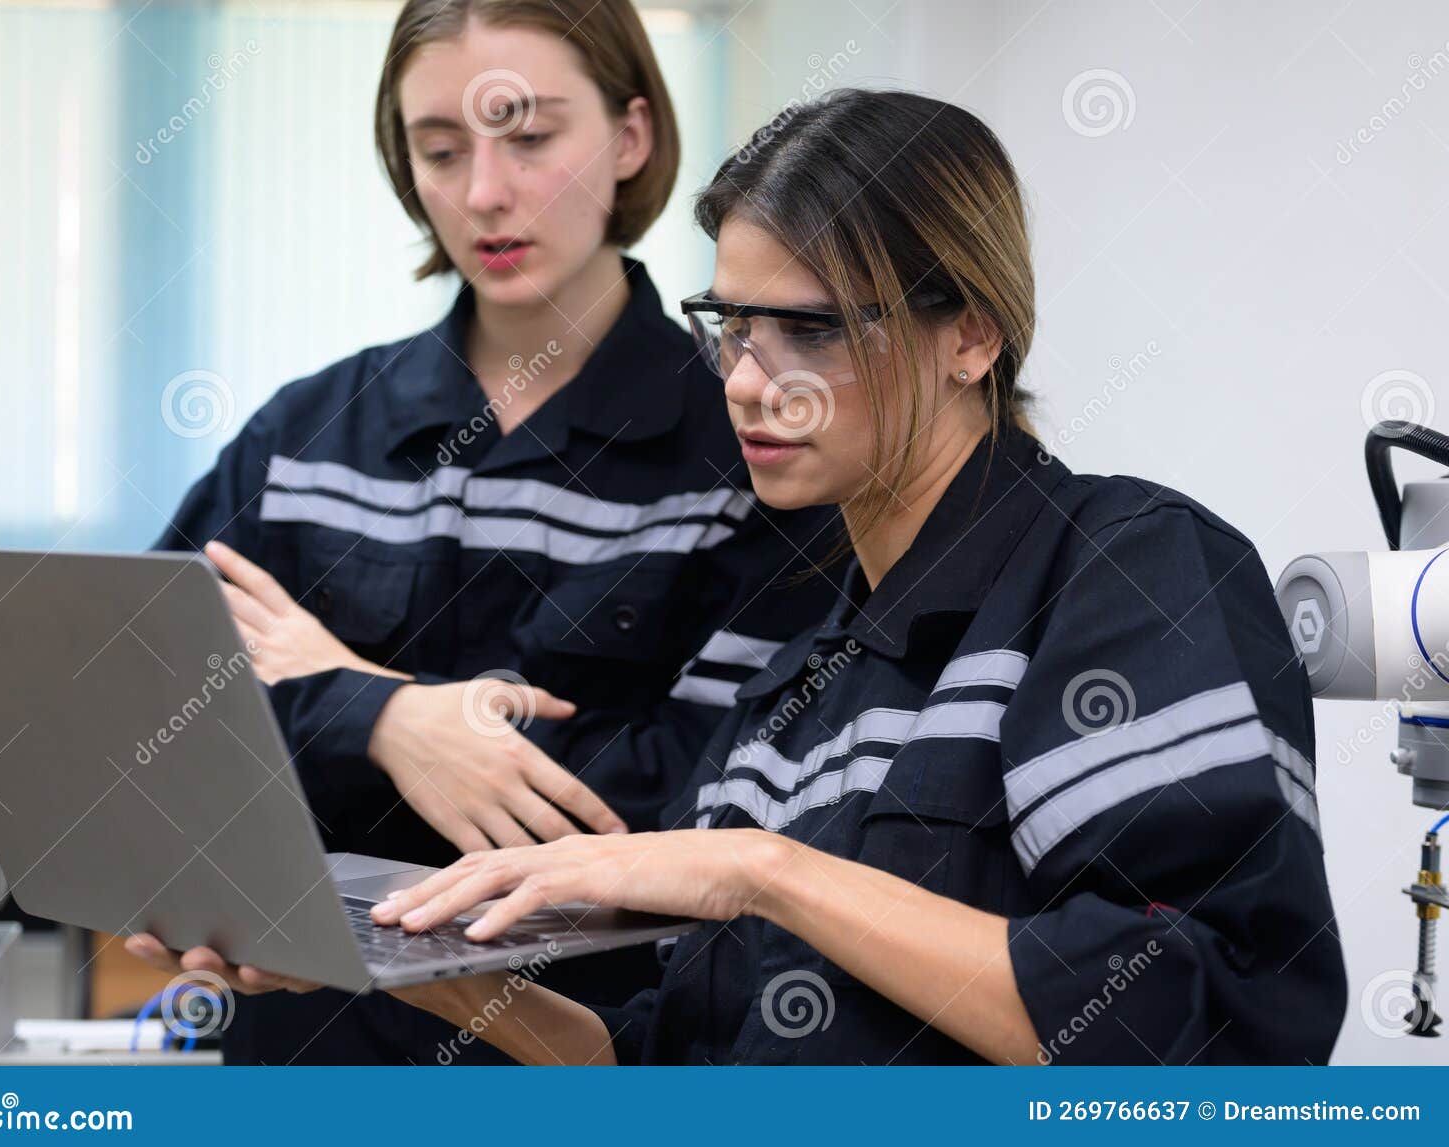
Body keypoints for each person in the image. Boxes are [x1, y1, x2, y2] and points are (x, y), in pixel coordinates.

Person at [134, 87, 1347, 1064]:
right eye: (733, 328)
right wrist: (406, 962)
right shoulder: (791, 692)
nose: (750, 383)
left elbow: (1212, 1029)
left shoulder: (1129, 573)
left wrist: (755, 872)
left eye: (813, 329)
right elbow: (649, 1066)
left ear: (970, 332)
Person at [140, 0, 842, 1064]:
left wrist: (328, 699)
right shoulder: (303, 435)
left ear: (631, 136)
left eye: (529, 136)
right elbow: (151, 714)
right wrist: (384, 718)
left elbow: (710, 801)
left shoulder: (752, 446)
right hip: (294, 1045)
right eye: (439, 149)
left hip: (589, 1061)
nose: (483, 194)